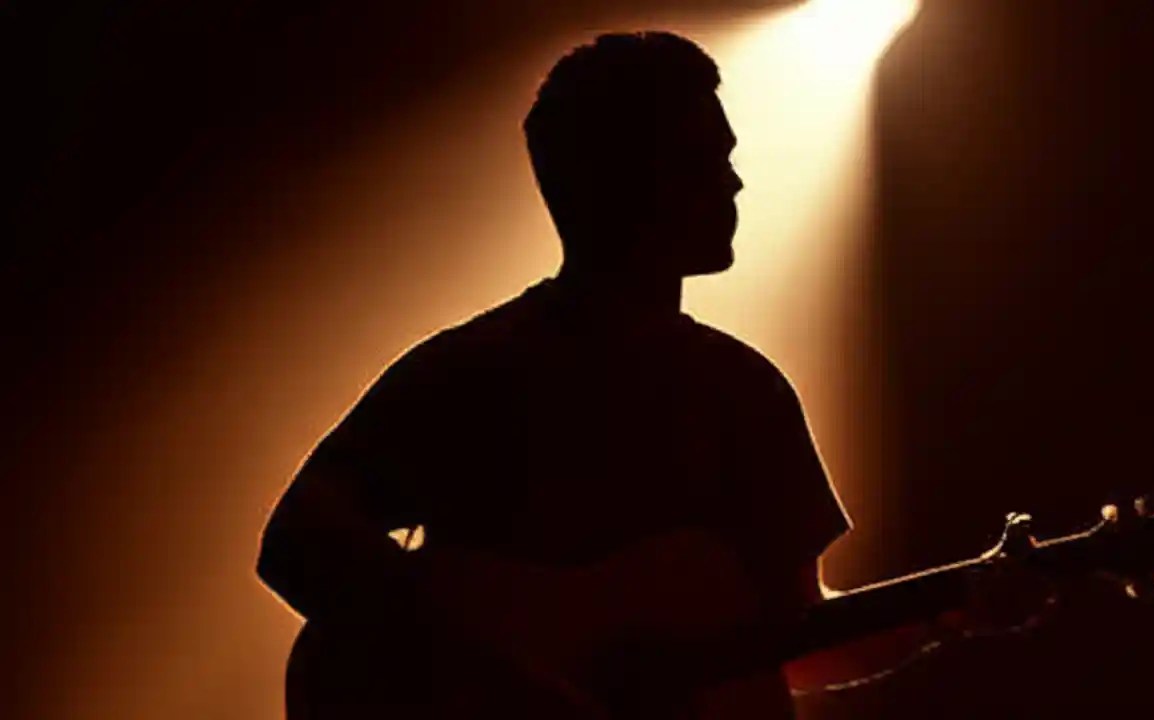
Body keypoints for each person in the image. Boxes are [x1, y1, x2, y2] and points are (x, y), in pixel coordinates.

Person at [257, 30, 850, 719]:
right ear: (630, 181)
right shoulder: (478, 375)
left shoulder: (739, 389)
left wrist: (943, 613)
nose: (734, 181)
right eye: (704, 160)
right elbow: (298, 541)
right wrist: (496, 667)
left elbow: (792, 635)